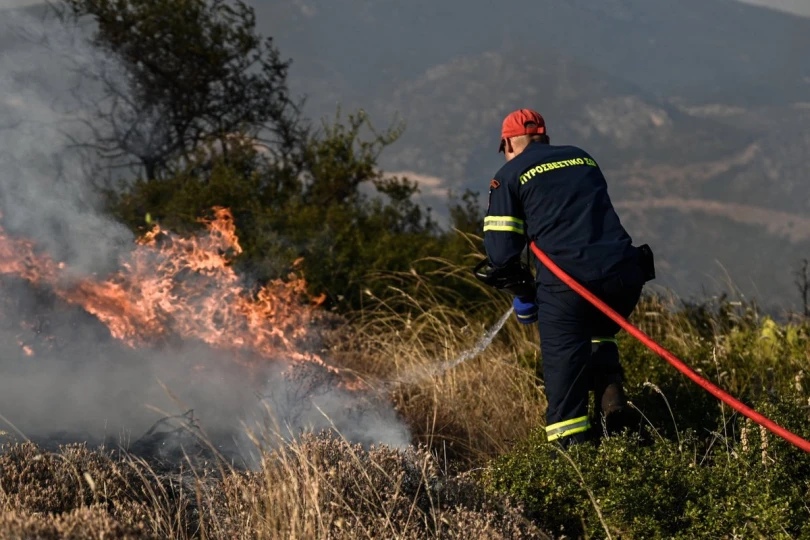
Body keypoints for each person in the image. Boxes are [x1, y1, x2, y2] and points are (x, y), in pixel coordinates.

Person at [476, 108, 654, 447]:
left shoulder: (508, 174)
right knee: (599, 331)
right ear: (543, 137)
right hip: (624, 277)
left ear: (509, 142)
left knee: (565, 383)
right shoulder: (582, 158)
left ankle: (574, 467)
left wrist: (525, 296)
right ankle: (613, 408)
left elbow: (500, 255)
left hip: (571, 287)